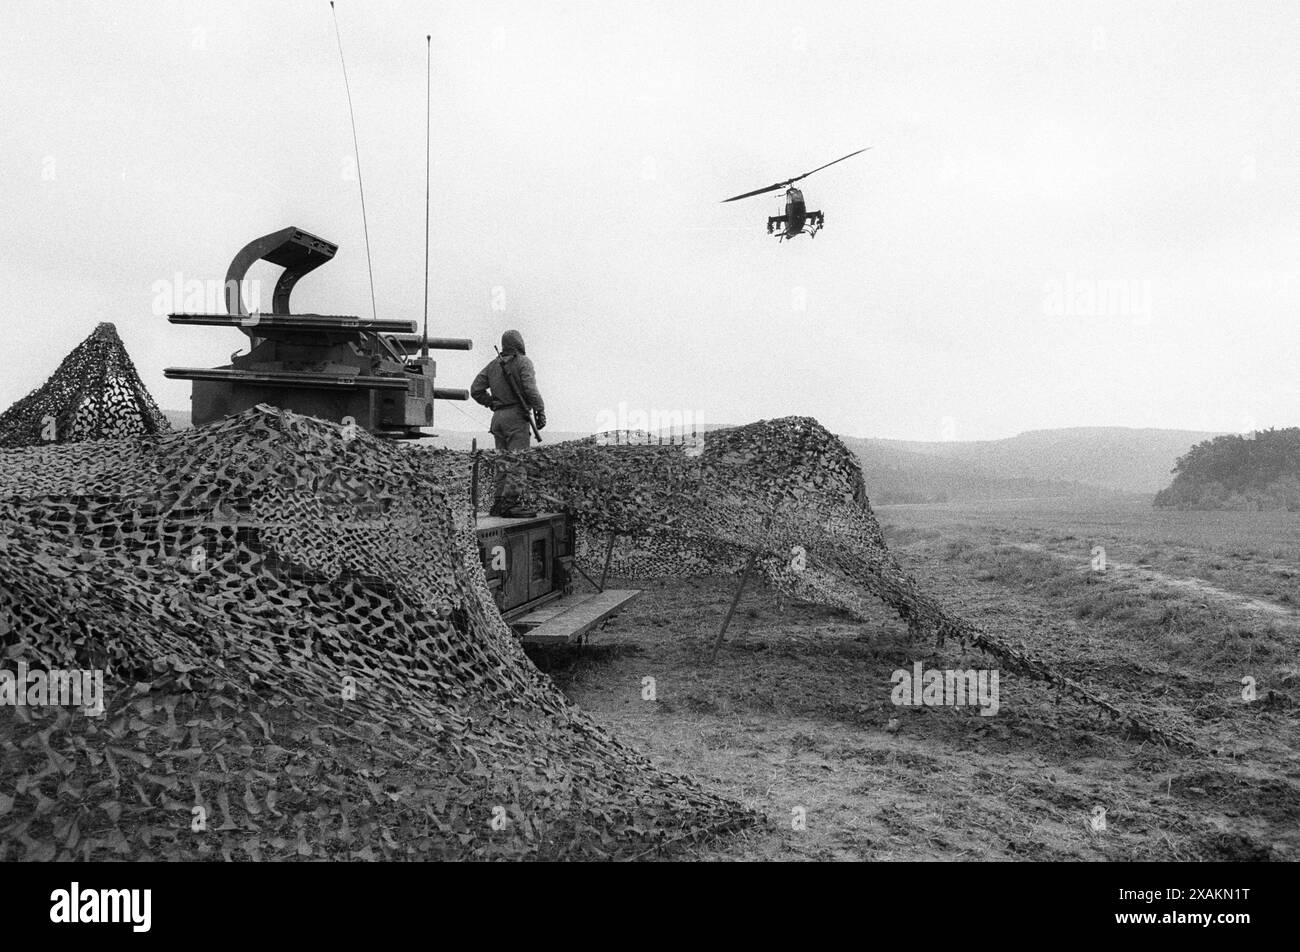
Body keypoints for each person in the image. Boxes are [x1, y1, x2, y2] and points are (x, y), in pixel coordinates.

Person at [470, 329, 547, 516]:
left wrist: (491, 403)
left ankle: (498, 504)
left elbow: (475, 389)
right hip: (516, 417)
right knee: (517, 462)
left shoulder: (493, 365)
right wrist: (540, 410)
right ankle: (510, 505)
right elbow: (530, 388)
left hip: (497, 419)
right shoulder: (523, 362)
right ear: (520, 343)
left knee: (502, 462)